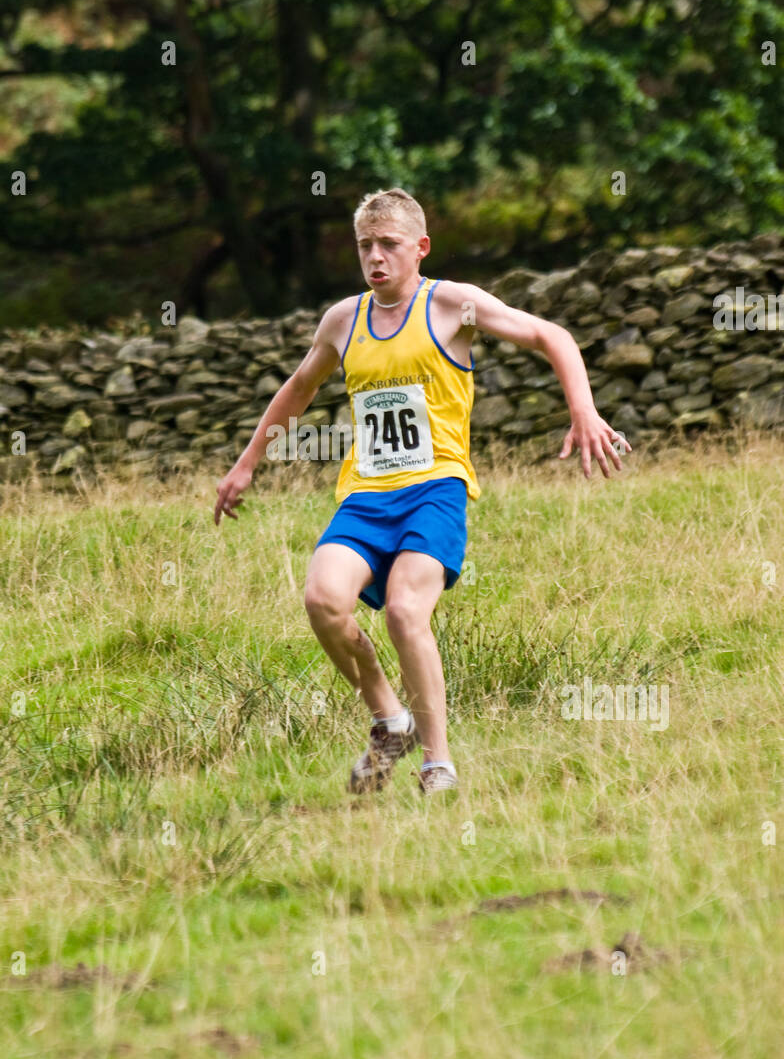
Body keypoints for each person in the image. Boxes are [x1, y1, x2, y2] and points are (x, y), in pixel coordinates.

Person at [214, 188, 629, 795]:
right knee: (323, 599)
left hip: (436, 489)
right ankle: (391, 720)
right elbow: (298, 389)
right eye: (365, 246)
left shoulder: (453, 305)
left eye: (389, 245)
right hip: (365, 496)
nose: (375, 257)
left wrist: (584, 412)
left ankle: (438, 764)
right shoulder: (343, 319)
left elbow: (552, 336)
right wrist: (247, 463)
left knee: (408, 612)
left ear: (421, 248)